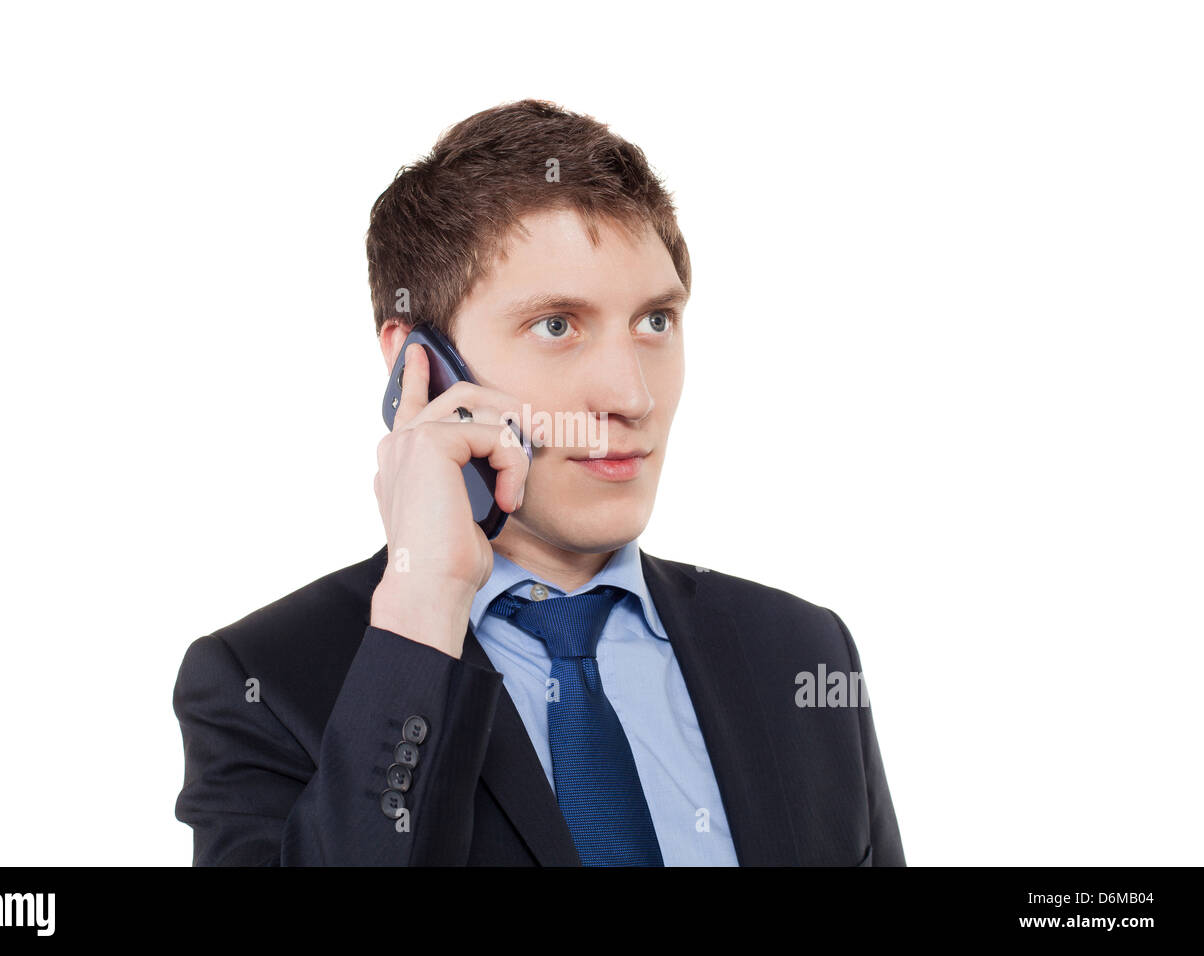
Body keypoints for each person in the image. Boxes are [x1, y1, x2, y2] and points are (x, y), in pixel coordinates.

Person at [172, 98, 905, 866]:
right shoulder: (265, 682)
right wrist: (426, 609)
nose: (632, 398)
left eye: (655, 321)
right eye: (557, 325)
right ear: (416, 365)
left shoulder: (799, 650)